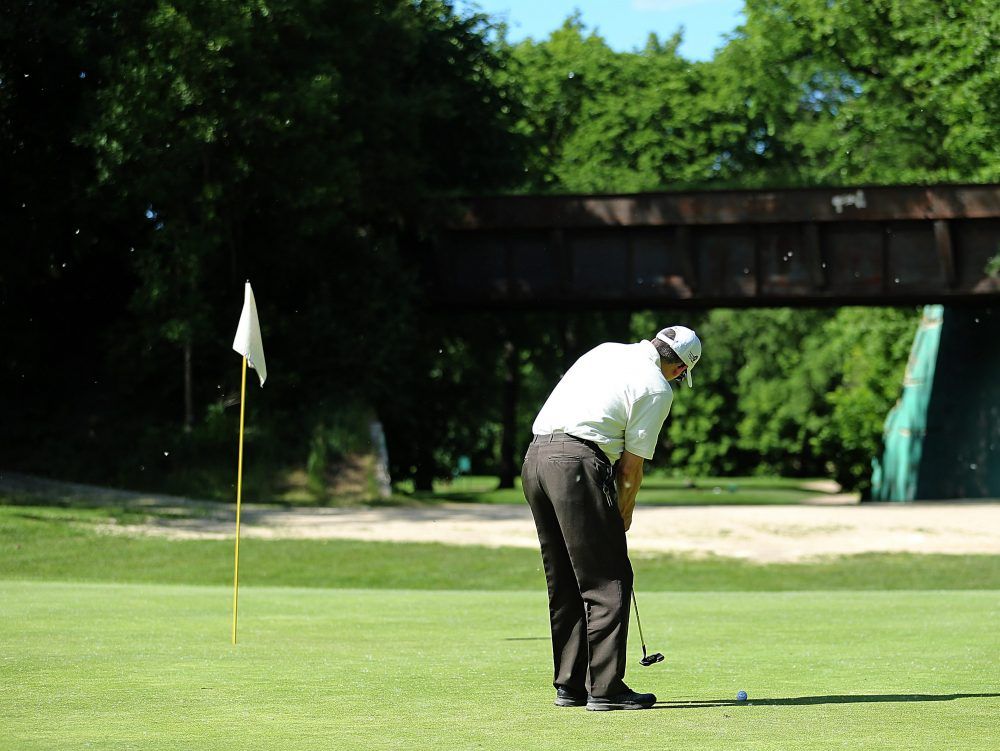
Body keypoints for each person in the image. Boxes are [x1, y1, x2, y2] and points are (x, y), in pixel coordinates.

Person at [521, 326, 702, 711]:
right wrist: (624, 513)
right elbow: (631, 469)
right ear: (678, 369)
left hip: (535, 459)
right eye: (682, 374)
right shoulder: (657, 387)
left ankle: (569, 685)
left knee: (568, 577)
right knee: (609, 579)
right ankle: (606, 689)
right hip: (575, 465)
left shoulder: (607, 350)